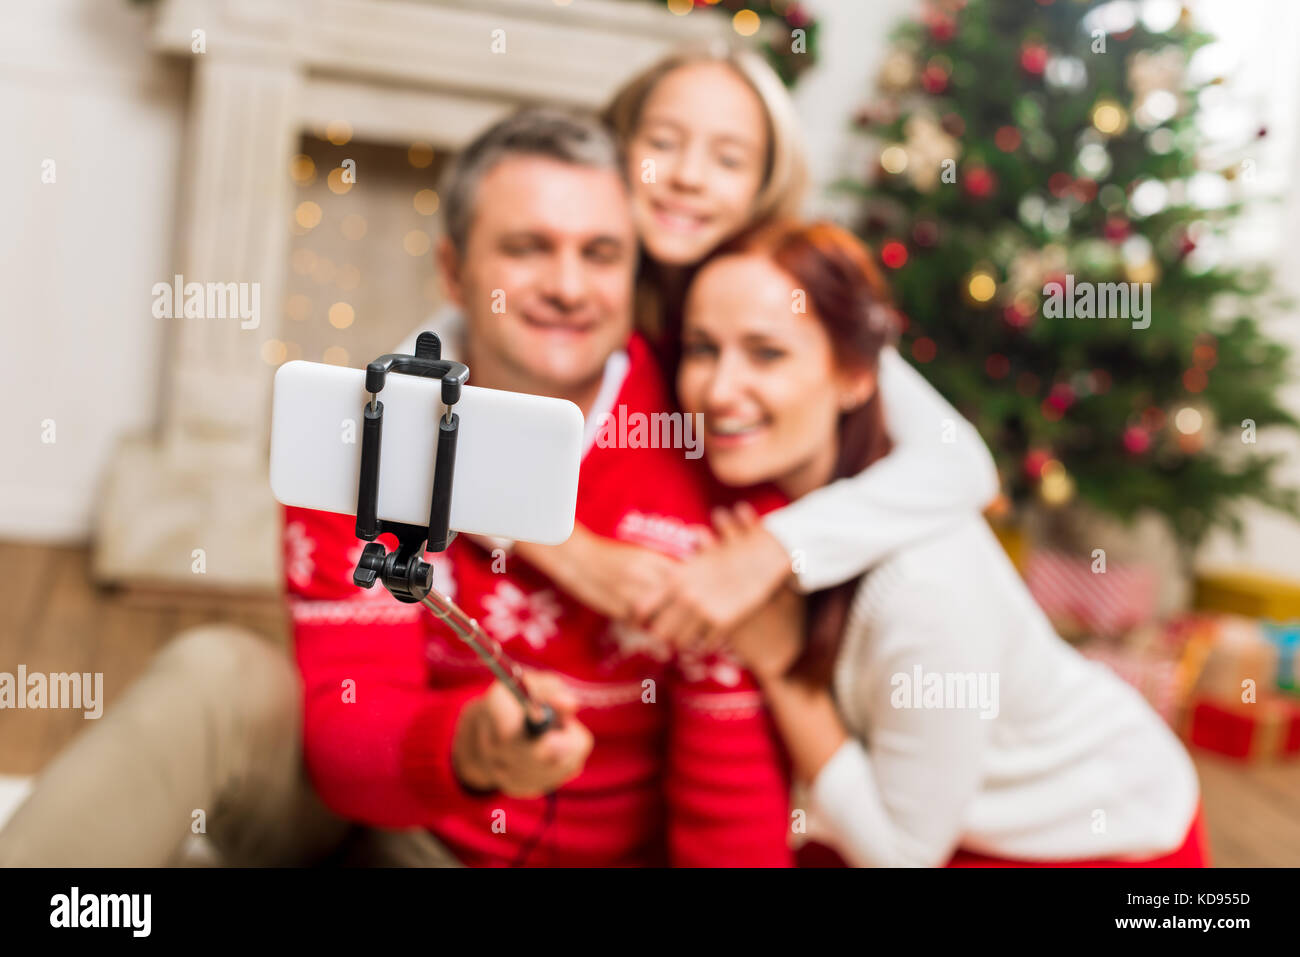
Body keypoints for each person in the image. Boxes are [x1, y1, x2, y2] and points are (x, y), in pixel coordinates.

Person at [286, 108, 793, 867]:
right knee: (216, 677)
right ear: (455, 271)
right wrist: (472, 748)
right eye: (527, 249)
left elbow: (733, 802)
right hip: (418, 835)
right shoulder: (361, 437)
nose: (566, 287)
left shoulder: (721, 434)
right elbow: (345, 744)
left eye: (600, 254)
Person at [671, 219, 1207, 868]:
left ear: (858, 376)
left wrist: (785, 671)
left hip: (1100, 843)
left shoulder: (926, 583)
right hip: (933, 816)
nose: (719, 390)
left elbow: (900, 855)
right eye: (701, 348)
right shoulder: (774, 496)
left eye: (767, 353)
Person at [510, 46, 1001, 654]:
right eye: (661, 143)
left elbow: (960, 465)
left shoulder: (778, 289)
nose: (689, 176)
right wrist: (574, 554)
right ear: (615, 152)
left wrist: (770, 551)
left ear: (763, 186)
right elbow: (406, 420)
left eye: (728, 158)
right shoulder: (558, 285)